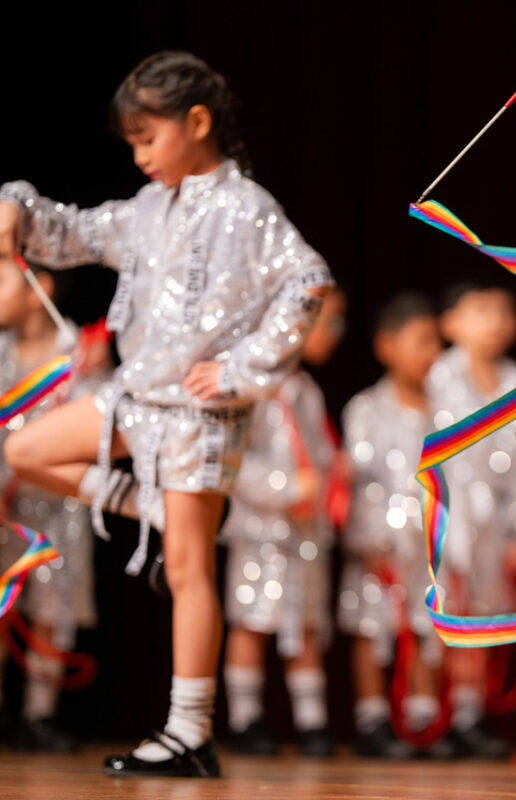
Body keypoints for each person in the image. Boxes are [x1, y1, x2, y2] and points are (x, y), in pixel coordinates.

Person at [0, 50, 333, 777]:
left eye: (148, 138)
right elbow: (75, 232)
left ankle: (189, 731)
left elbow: (307, 281)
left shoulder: (249, 208)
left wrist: (243, 371)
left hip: (199, 417)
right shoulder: (147, 208)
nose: (141, 155)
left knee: (187, 569)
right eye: (133, 144)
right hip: (133, 398)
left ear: (197, 122)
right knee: (22, 450)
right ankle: (144, 506)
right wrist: (17, 210)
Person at [221, 288, 347, 758]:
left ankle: (311, 720)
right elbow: (235, 462)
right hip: (261, 530)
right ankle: (246, 716)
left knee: (305, 624)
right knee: (251, 621)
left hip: (304, 534)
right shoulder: (254, 388)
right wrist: (288, 489)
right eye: (327, 323)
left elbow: (317, 454)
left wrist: (335, 472)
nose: (333, 335)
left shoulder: (305, 391)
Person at [426, 280, 516, 759]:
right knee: (438, 615)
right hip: (442, 517)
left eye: (503, 311)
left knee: (480, 615)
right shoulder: (436, 375)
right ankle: (424, 714)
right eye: (481, 309)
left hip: (492, 524)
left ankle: (467, 714)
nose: (494, 321)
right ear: (451, 322)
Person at [0, 259, 105, 752]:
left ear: (38, 285)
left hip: (59, 502)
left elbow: (101, 423)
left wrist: (101, 375)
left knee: (52, 607)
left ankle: (38, 716)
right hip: (3, 505)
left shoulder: (79, 350)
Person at [339, 294, 444, 758]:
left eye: (434, 343)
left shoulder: (444, 410)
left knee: (424, 625)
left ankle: (420, 717)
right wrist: (367, 537)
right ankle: (372, 718)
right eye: (419, 341)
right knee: (372, 627)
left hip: (428, 545)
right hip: (379, 542)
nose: (430, 353)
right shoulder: (366, 408)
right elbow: (358, 481)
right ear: (387, 346)